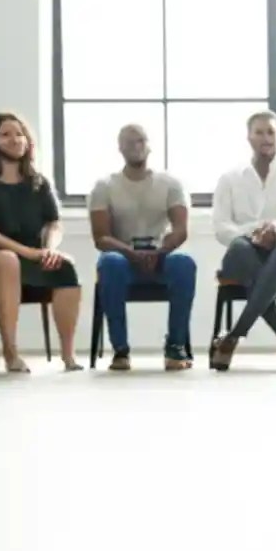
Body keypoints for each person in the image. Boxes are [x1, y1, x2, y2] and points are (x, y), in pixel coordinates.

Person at [0, 112, 83, 373]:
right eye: (5, 134)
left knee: (65, 265)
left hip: (31, 251)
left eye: (19, 134)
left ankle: (69, 355)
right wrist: (27, 252)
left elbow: (54, 222)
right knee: (8, 260)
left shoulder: (38, 181)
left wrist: (49, 248)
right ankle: (10, 351)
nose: (14, 139)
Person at [209, 110, 276, 372]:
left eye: (271, 132)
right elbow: (221, 226)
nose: (266, 138)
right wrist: (254, 234)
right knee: (240, 246)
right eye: (259, 132)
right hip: (243, 254)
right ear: (249, 137)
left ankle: (233, 336)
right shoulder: (230, 178)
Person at [89, 124, 196, 371]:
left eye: (140, 141)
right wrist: (130, 253)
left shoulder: (170, 183)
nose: (135, 146)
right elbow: (101, 237)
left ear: (149, 146)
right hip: (123, 257)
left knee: (184, 264)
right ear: (120, 148)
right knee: (109, 263)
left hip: (160, 257)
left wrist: (160, 251)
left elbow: (180, 229)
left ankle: (175, 347)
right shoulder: (104, 186)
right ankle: (120, 350)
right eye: (129, 142)